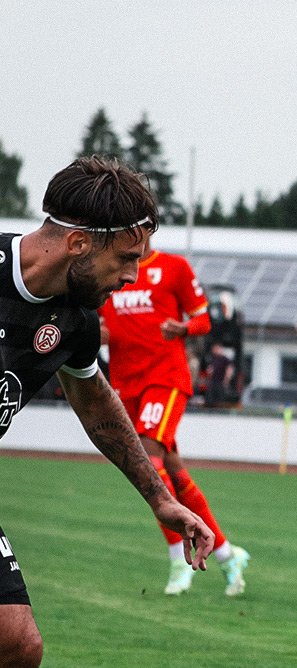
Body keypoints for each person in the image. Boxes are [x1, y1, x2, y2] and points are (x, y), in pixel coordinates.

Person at [1, 157, 216, 668]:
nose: (135, 276)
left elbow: (96, 403)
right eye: (127, 258)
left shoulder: (75, 319)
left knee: (17, 645)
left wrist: (159, 497)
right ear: (77, 243)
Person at [97, 237, 250, 596]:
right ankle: (228, 555)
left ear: (149, 228)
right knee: (174, 471)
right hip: (125, 384)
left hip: (165, 379)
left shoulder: (174, 268)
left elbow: (203, 321)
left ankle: (178, 560)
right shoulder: (110, 269)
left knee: (148, 462)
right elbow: (106, 328)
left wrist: (182, 329)